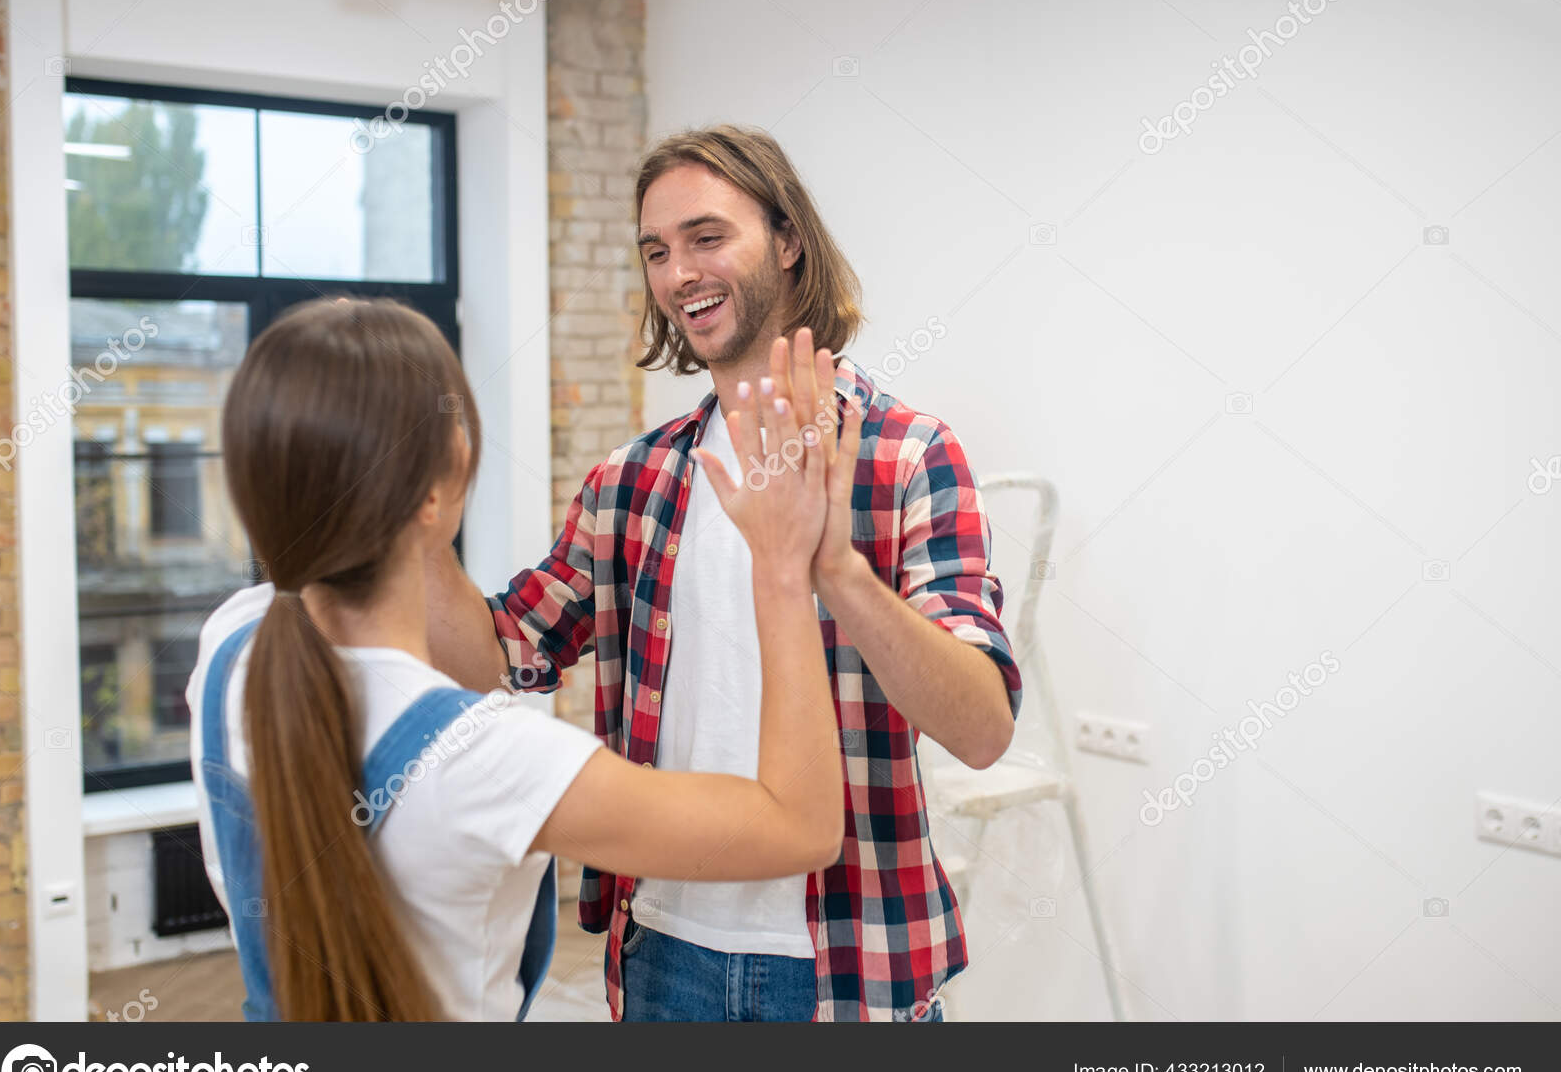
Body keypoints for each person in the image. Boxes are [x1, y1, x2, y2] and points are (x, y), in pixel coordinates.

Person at [428, 125, 1023, 1022]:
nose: (678, 274)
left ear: (787, 240)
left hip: (848, 961)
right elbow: (497, 648)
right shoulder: (631, 481)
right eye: (658, 252)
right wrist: (408, 513)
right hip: (664, 949)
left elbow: (981, 727)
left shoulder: (907, 456)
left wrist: (836, 569)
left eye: (707, 237)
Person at [185, 296, 851, 1021]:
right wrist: (787, 567)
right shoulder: (487, 757)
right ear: (445, 481)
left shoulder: (229, 647)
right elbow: (801, 827)